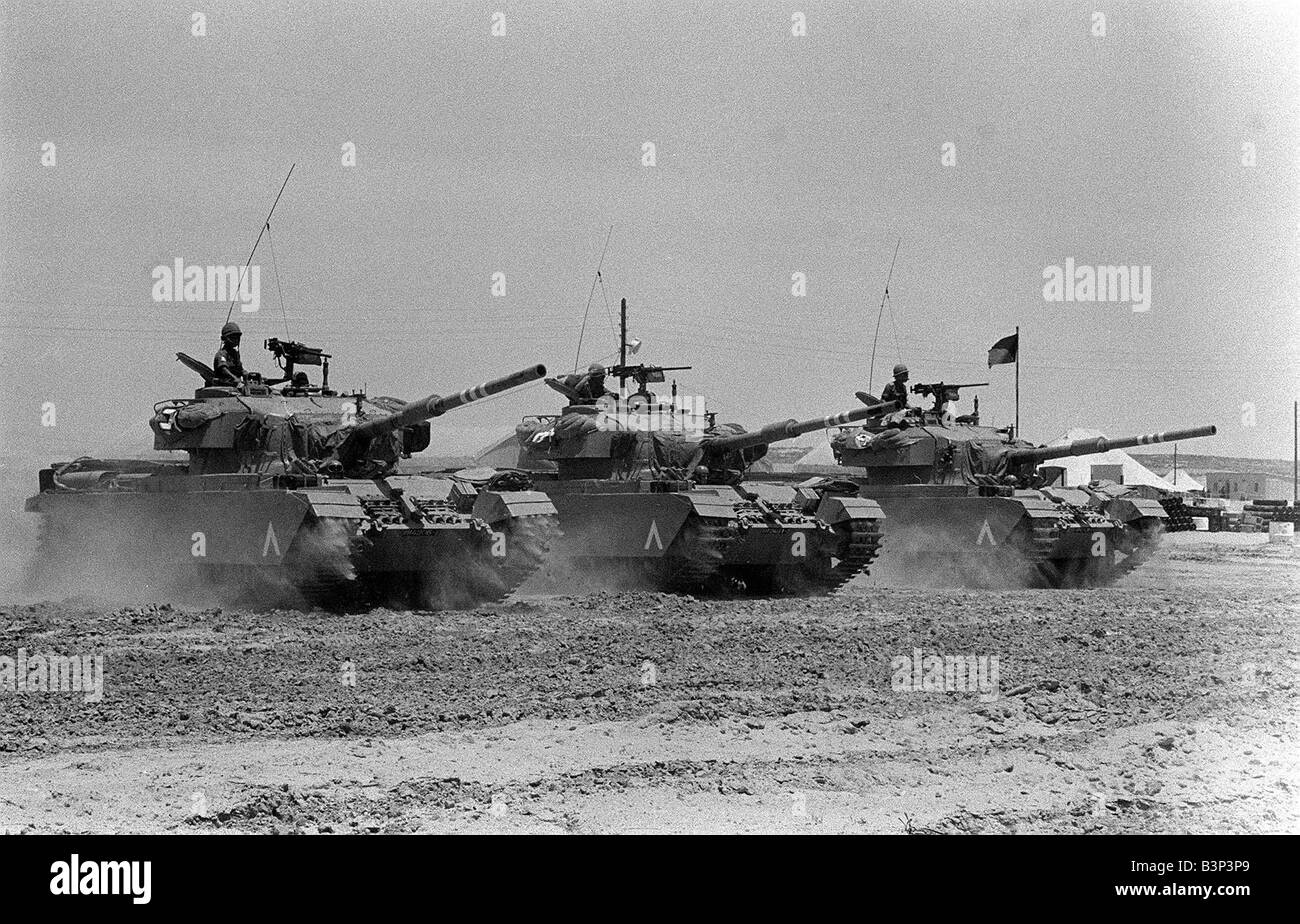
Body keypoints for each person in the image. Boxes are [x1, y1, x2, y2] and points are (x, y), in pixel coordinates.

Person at [212, 321, 246, 386]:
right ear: (225, 339)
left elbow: (239, 368)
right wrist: (234, 378)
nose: (235, 340)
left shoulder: (235, 354)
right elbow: (223, 369)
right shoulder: (221, 354)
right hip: (223, 384)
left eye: (237, 338)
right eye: (232, 338)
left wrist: (243, 372)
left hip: (235, 384)